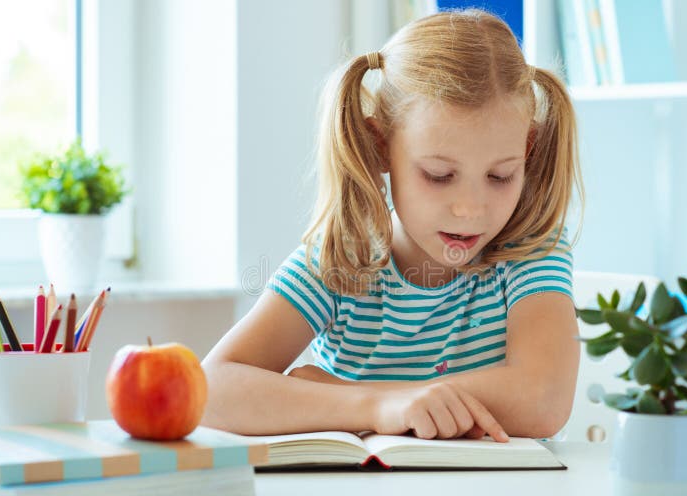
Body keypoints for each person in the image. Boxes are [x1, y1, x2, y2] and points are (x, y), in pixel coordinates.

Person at [201, 9, 583, 443]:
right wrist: (379, 408)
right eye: (439, 175)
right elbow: (211, 388)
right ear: (381, 146)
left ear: (527, 151)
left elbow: (544, 399)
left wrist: (344, 397)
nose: (470, 210)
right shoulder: (341, 256)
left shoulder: (531, 245)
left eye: (500, 176)